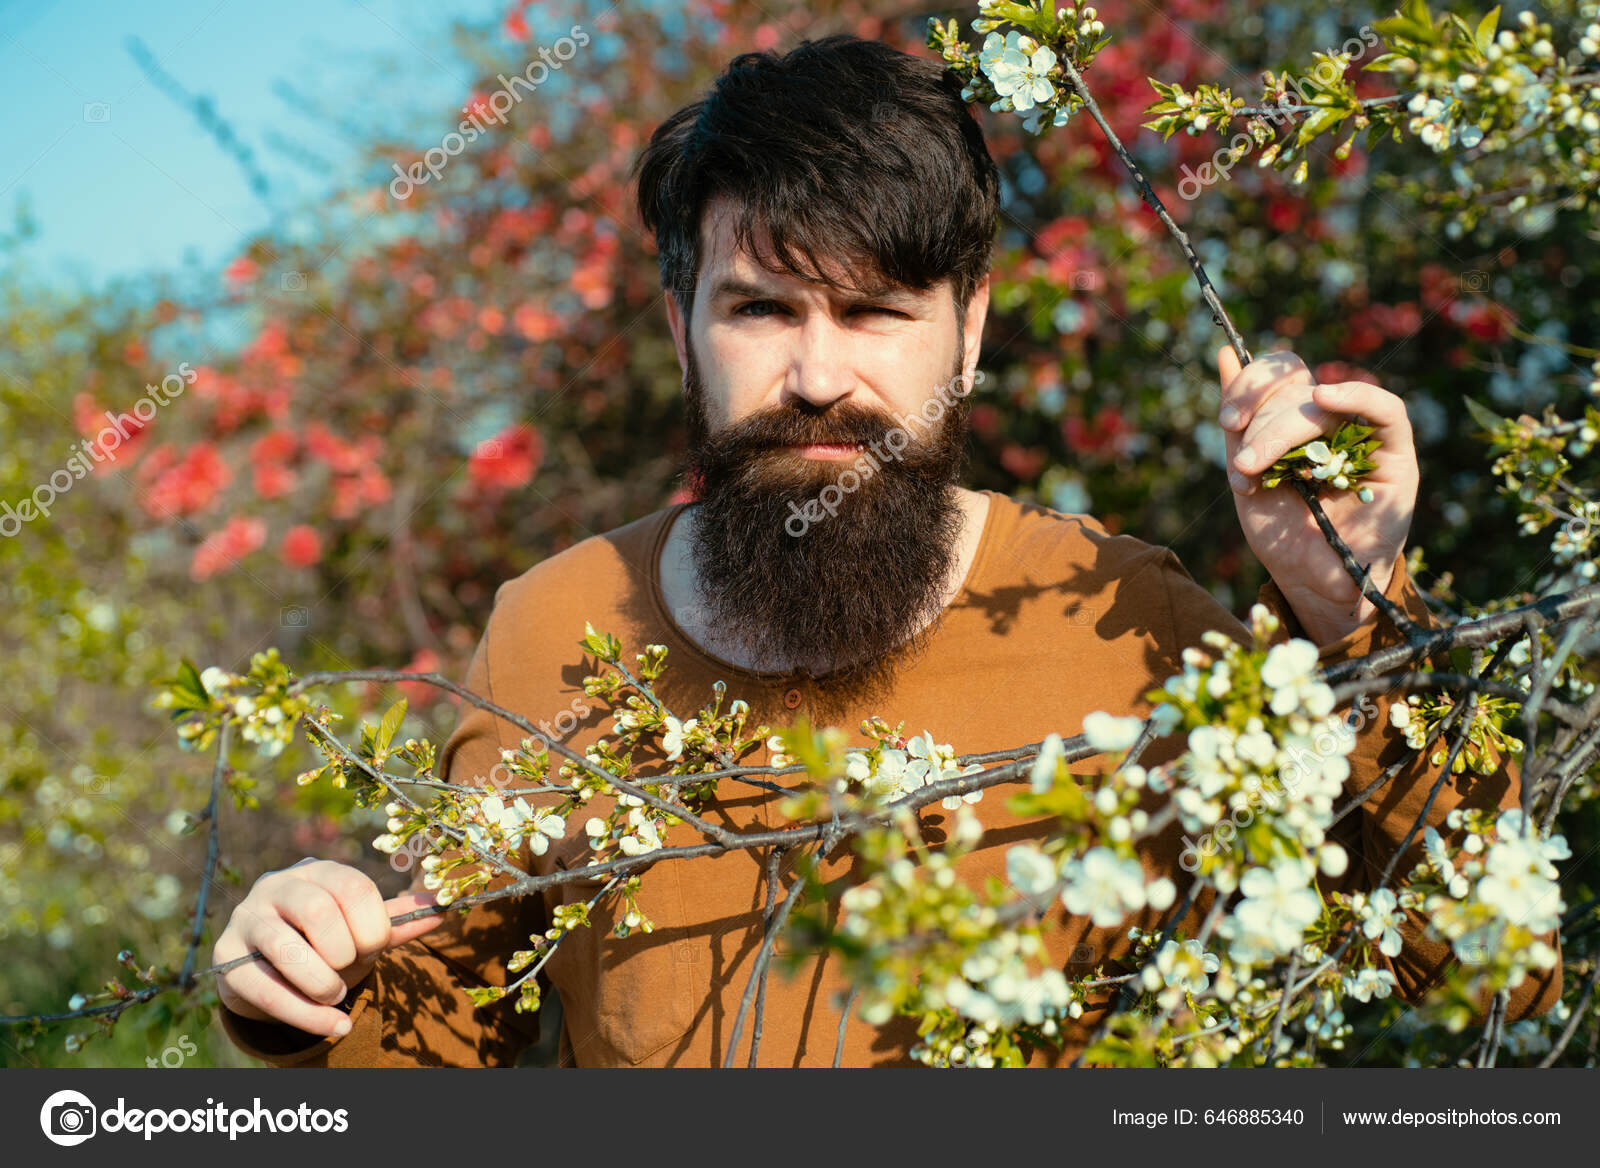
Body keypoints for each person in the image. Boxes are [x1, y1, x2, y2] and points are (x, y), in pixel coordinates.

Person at [212, 35, 1558, 1067]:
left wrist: (1355, 608)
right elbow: (443, 1052)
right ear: (683, 328)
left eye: (874, 312)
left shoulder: (1126, 621)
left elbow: (1486, 981)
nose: (816, 374)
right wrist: (312, 971)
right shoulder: (556, 629)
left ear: (967, 334)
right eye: (759, 308)